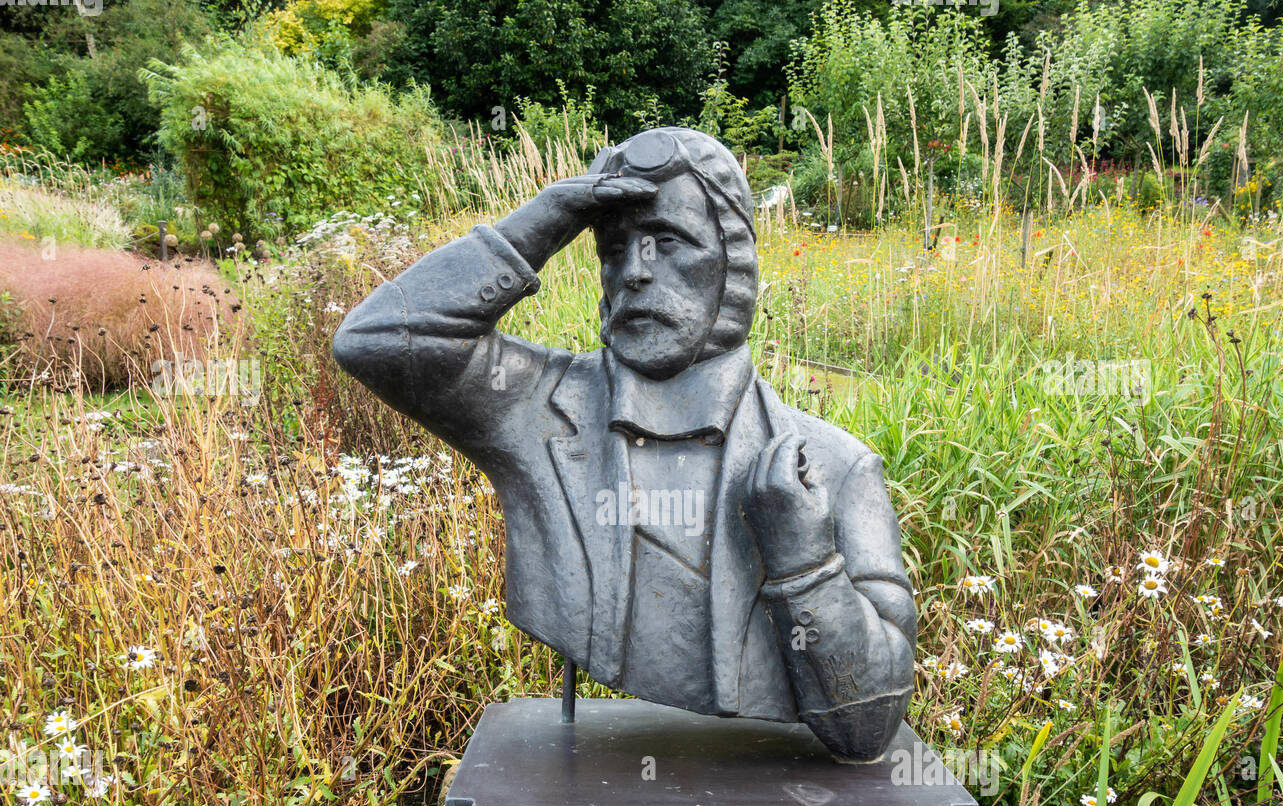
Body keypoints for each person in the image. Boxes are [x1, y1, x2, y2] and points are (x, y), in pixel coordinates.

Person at [332, 127, 916, 762]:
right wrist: (545, 219)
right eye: (614, 249)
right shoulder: (532, 403)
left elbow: (866, 729)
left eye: (668, 243)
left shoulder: (834, 466)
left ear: (733, 258)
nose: (635, 272)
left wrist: (805, 566)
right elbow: (377, 339)